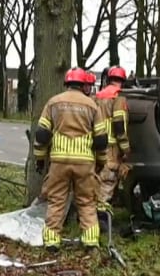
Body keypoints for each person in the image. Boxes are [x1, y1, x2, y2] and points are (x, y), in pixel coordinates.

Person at [34, 68, 109, 251]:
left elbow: (42, 134)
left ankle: (51, 241)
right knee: (86, 201)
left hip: (59, 161)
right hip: (84, 162)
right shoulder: (92, 105)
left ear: (66, 83)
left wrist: (40, 159)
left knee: (57, 200)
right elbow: (101, 139)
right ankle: (91, 242)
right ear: (83, 84)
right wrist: (101, 162)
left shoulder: (53, 103)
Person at [94, 66, 131, 225]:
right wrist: (125, 148)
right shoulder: (118, 98)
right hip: (111, 147)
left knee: (96, 179)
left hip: (96, 144)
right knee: (107, 182)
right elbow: (119, 125)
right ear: (123, 81)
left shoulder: (97, 96)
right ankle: (101, 219)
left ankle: (89, 213)